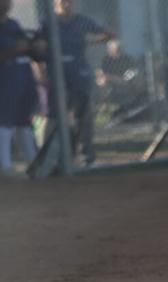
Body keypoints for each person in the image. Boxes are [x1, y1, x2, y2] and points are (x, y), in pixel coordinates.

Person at [38, 0, 114, 167]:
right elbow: (37, 51)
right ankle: (48, 159)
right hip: (55, 72)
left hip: (78, 72)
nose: (66, 4)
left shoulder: (82, 21)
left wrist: (91, 42)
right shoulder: (47, 22)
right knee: (54, 116)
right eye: (61, 2)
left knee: (83, 115)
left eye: (70, 1)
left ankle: (88, 157)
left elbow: (109, 34)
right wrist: (41, 74)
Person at [0, 0, 39, 176]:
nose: (5, 4)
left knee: (23, 121)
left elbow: (26, 48)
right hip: (5, 75)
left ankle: (33, 163)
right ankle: (5, 166)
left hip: (24, 73)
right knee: (5, 120)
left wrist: (32, 47)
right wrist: (15, 51)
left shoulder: (13, 24)